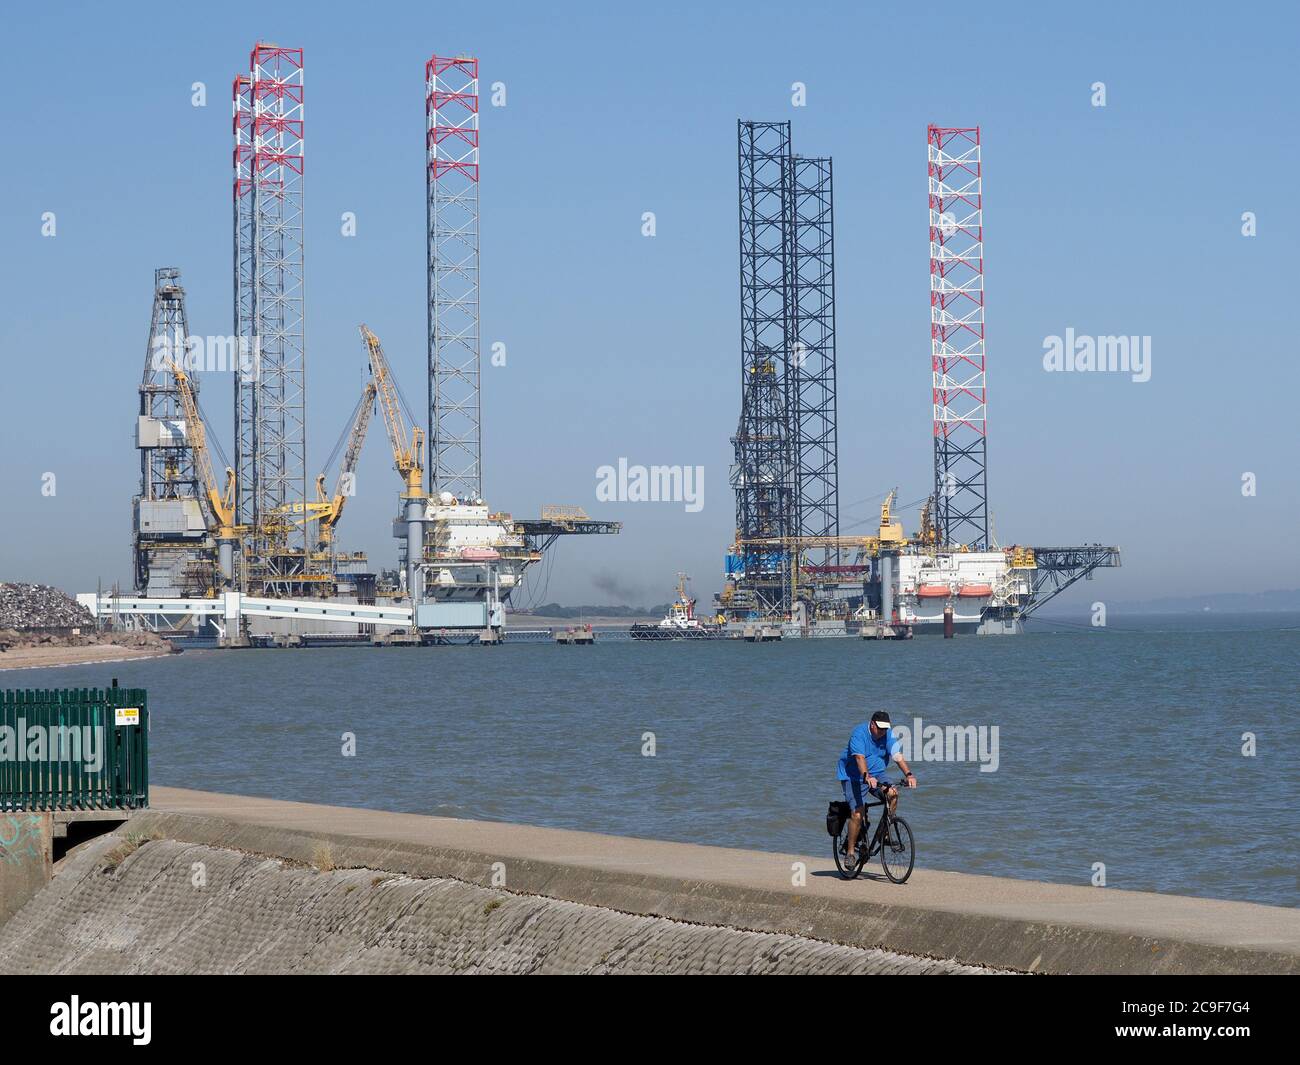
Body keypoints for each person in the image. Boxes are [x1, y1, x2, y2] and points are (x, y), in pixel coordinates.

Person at [836, 711, 917, 860]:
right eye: (880, 728)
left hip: (878, 775)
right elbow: (859, 758)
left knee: (893, 794)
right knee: (858, 813)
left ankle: (884, 834)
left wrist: (909, 774)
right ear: (872, 724)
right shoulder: (859, 734)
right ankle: (850, 852)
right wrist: (866, 776)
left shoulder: (887, 734)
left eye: (885, 728)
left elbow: (897, 755)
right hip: (853, 777)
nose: (883, 732)